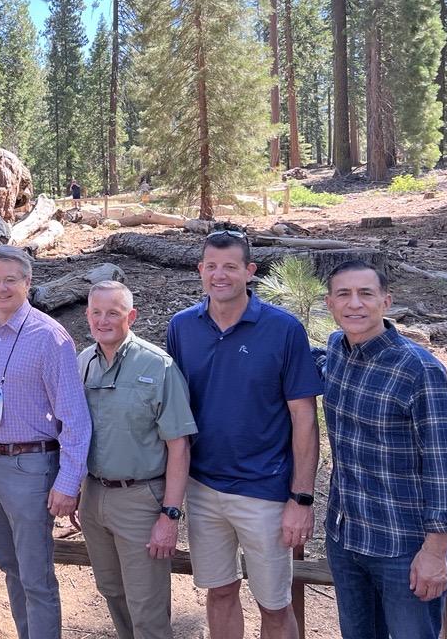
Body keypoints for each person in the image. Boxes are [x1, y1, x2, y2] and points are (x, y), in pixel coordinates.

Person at [165, 230, 322, 639]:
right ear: (200, 270)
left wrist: (301, 498)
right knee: (219, 592)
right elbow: (173, 411)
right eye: (212, 266)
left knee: (275, 605)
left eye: (231, 267)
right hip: (203, 487)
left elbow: (304, 417)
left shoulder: (283, 329)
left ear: (250, 271)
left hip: (264, 488)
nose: (220, 275)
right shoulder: (182, 327)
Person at [321, 260, 447, 639]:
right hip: (345, 538)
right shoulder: (337, 350)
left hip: (404, 548)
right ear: (329, 303)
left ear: (386, 302)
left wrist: (435, 553)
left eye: (365, 294)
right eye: (344, 294)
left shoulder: (420, 370)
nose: (355, 303)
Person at [0, 245, 92, 639]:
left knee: (35, 578)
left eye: (10, 279)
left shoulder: (49, 337)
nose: (1, 288)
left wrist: (68, 482)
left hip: (31, 467)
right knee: (10, 567)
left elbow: (75, 418)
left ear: (27, 282)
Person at [74, 281, 196, 639]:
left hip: (141, 499)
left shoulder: (158, 366)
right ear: (87, 316)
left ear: (131, 316)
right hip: (94, 494)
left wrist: (170, 515)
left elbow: (179, 447)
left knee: (147, 606)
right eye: (96, 313)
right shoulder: (83, 363)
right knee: (112, 591)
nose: (103, 321)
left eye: (113, 313)